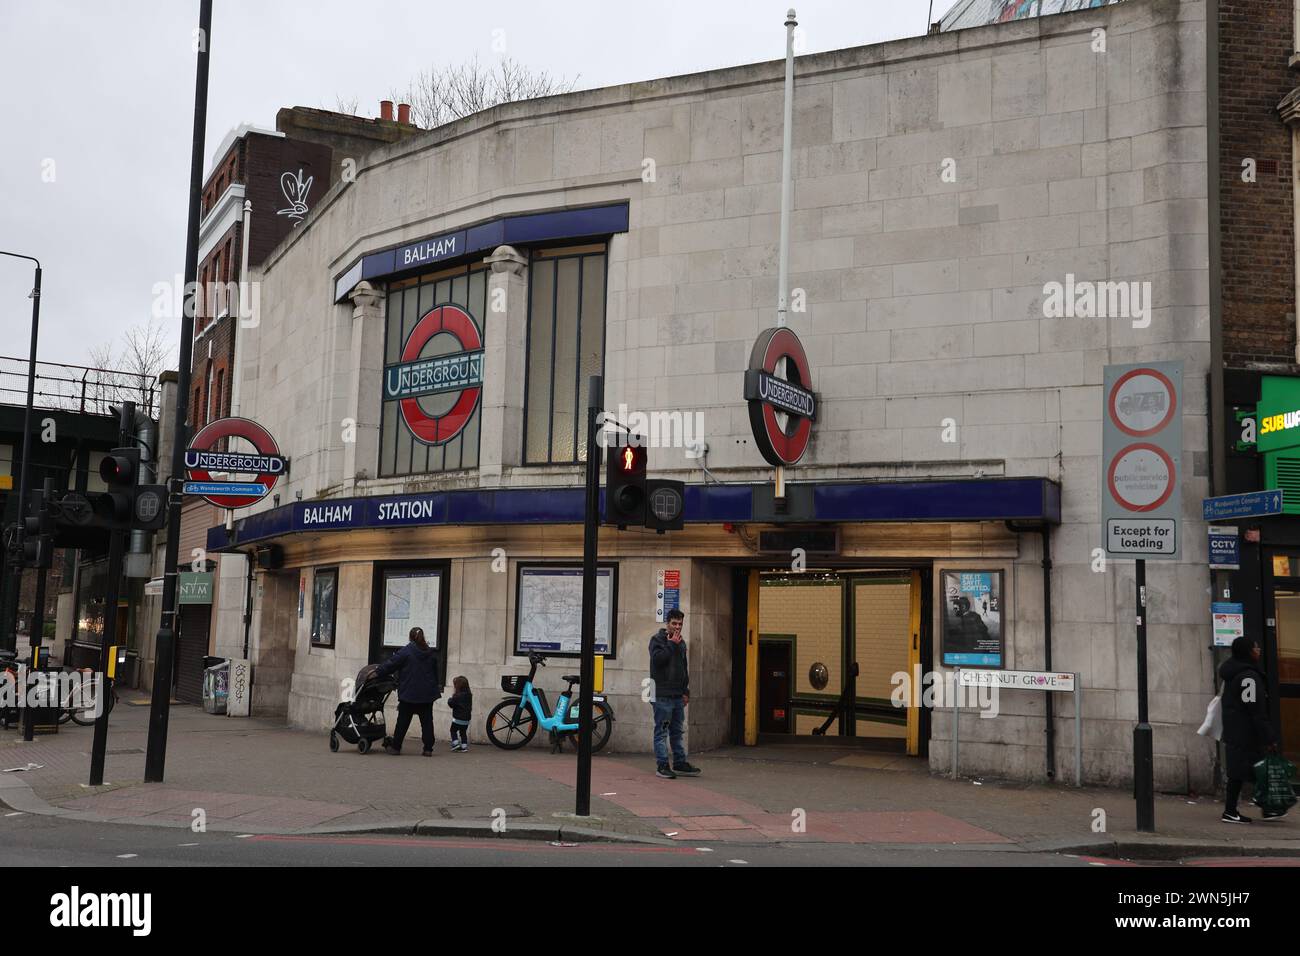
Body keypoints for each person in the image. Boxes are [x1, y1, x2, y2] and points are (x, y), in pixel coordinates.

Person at [1219, 635, 1280, 823]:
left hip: (1237, 729)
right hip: (1245, 731)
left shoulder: (1235, 672)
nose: (1258, 650)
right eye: (1255, 648)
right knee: (1244, 771)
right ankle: (1232, 811)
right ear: (1248, 652)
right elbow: (1255, 709)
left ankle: (1267, 808)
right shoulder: (1248, 676)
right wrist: (1269, 737)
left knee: (1251, 769)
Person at [648, 608, 701, 779]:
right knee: (662, 731)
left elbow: (683, 668)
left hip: (677, 695)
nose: (677, 627)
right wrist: (671, 644)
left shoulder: (682, 643)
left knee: (677, 731)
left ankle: (679, 762)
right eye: (674, 624)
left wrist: (685, 691)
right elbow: (658, 661)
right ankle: (662, 765)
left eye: (680, 624)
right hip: (662, 694)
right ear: (667, 623)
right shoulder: (657, 640)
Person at [377, 626, 441, 756]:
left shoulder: (407, 651)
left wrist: (378, 671)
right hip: (427, 694)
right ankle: (428, 748)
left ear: (410, 637)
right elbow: (435, 672)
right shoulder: (429, 652)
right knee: (427, 721)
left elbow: (391, 664)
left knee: (403, 721)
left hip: (409, 693)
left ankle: (396, 747)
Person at [447, 675, 472, 752]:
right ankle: (464, 746)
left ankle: (455, 743)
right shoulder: (469, 695)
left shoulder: (457, 696)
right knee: (463, 732)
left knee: (453, 730)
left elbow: (451, 704)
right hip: (466, 719)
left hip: (458, 718)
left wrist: (449, 700)